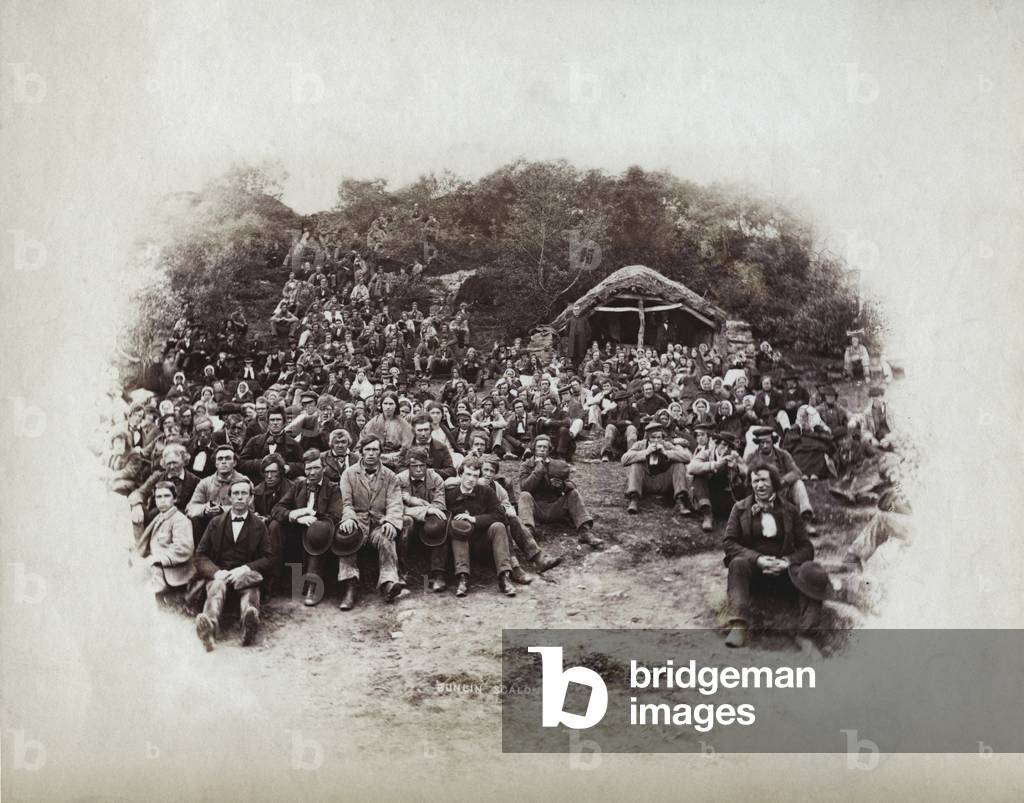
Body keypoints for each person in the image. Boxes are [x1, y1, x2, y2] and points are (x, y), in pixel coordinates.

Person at [721, 464, 831, 648]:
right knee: (737, 563)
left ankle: (807, 633)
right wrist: (758, 560)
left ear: (773, 482)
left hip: (785, 575)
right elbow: (729, 543)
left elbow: (806, 547)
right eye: (755, 481)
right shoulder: (739, 509)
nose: (760, 485)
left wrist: (786, 562)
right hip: (754, 573)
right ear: (751, 484)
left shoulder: (790, 510)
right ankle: (739, 625)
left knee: (811, 572)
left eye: (764, 480)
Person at [193, 478, 274, 651]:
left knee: (251, 591)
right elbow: (200, 556)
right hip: (220, 576)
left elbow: (268, 558)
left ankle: (248, 624)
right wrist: (216, 572)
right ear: (229, 498)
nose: (239, 497)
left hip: (244, 577)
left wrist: (245, 568)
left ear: (251, 498)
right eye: (235, 493)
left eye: (244, 493)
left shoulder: (259, 525)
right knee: (216, 588)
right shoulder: (215, 523)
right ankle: (210, 628)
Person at [336, 434, 407, 610]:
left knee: (387, 537)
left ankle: (388, 583)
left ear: (380, 453)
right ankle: (350, 586)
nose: (371, 454)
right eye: (367, 450)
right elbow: (346, 503)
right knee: (347, 537)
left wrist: (390, 521)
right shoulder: (349, 474)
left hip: (378, 522)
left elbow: (395, 503)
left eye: (375, 450)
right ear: (361, 452)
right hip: (358, 522)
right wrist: (349, 518)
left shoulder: (390, 476)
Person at [271, 449, 344, 605]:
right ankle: (275, 581)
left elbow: (335, 516)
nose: (311, 472)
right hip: (298, 531)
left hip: (321, 534)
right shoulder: (298, 486)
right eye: (308, 468)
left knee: (317, 531)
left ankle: (313, 586)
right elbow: (277, 509)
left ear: (324, 468)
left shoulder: (333, 488)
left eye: (316, 468)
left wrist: (314, 517)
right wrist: (297, 515)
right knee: (276, 525)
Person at [444, 457, 517, 598]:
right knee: (458, 529)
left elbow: (500, 515)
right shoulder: (450, 495)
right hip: (460, 545)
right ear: (460, 474)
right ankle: (462, 578)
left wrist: (474, 519)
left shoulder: (486, 491)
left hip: (483, 540)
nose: (471, 479)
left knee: (499, 526)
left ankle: (504, 576)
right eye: (468, 474)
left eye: (475, 476)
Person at [518, 434, 601, 549]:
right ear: (534, 449)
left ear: (549, 449)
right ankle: (528, 533)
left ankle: (584, 532)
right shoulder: (526, 465)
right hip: (536, 509)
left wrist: (562, 486)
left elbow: (572, 485)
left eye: (545, 447)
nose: (542, 450)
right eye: (539, 447)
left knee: (573, 493)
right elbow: (524, 487)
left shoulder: (558, 465)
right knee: (524, 495)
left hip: (555, 507)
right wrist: (538, 471)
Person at [745, 426, 817, 534]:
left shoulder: (783, 455)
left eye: (767, 442)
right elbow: (747, 479)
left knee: (799, 484)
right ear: (757, 443)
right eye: (761, 443)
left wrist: (782, 481)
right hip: (763, 495)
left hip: (783, 491)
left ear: (772, 442)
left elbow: (797, 472)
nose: (764, 445)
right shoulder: (752, 457)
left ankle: (805, 519)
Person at [395, 447, 449, 591]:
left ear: (427, 465)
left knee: (440, 522)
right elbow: (396, 509)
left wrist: (415, 502)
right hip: (410, 521)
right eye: (414, 466)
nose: (419, 469)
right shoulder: (399, 479)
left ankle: (438, 573)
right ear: (408, 466)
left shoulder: (436, 478)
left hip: (429, 522)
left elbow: (440, 506)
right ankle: (401, 571)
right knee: (407, 521)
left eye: (422, 466)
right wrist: (421, 508)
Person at [133, 481, 195, 595]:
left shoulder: (180, 520)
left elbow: (183, 548)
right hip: (155, 565)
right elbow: (144, 542)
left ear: (175, 499)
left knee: (142, 591)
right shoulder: (159, 517)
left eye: (167, 496)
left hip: (171, 570)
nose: (162, 500)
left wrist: (156, 558)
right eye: (158, 497)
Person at [621, 420, 694, 515]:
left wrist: (666, 453)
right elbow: (624, 459)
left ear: (662, 437)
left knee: (679, 464)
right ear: (647, 438)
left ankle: (680, 501)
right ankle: (634, 499)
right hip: (646, 482)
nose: (656, 441)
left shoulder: (666, 445)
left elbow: (687, 457)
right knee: (636, 465)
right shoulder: (640, 445)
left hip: (664, 482)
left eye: (658, 437)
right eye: (653, 438)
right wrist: (645, 453)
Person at [185, 446, 250, 547]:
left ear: (235, 462)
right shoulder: (205, 482)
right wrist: (205, 509)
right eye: (220, 459)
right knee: (195, 521)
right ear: (215, 463)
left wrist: (222, 510)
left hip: (233, 524)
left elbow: (250, 508)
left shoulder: (244, 481)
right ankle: (199, 554)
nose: (223, 462)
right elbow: (190, 508)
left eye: (228, 458)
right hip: (208, 525)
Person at [687, 429, 747, 532]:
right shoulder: (706, 454)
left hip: (724, 496)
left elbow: (748, 472)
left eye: (729, 447)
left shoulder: (734, 456)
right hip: (706, 496)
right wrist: (714, 465)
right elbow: (691, 468)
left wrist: (737, 468)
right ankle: (707, 515)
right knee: (699, 477)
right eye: (723, 445)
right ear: (716, 444)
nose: (726, 449)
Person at [238, 408, 304, 480]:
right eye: (272, 420)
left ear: (284, 422)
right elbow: (241, 463)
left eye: (278, 420)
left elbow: (303, 465)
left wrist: (289, 467)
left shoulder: (293, 444)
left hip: (284, 483)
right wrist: (260, 463)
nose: (275, 423)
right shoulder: (255, 441)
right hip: (259, 482)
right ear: (268, 422)